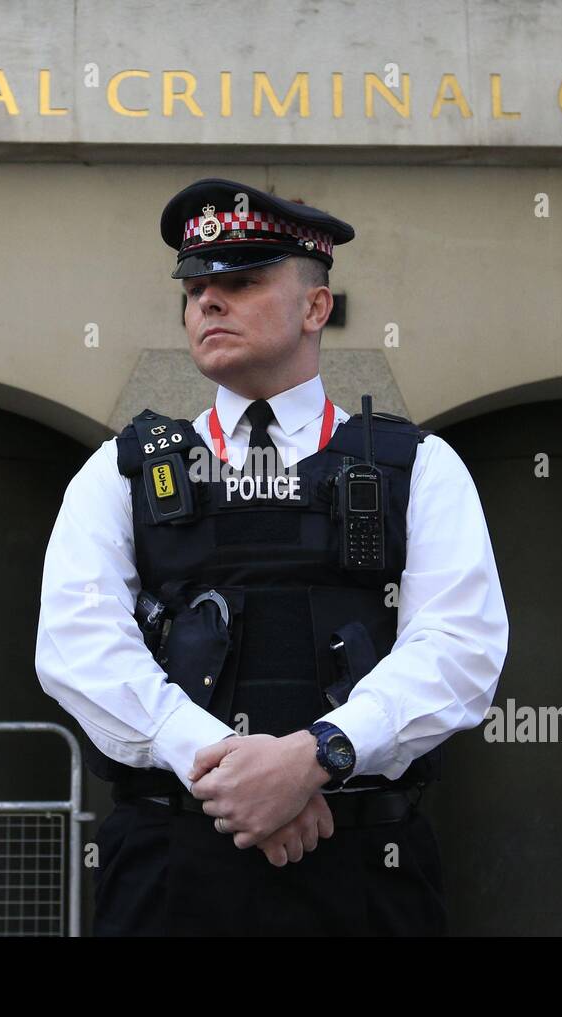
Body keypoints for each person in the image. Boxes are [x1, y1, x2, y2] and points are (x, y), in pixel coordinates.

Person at [34, 177, 509, 936]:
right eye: (195, 288)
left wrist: (317, 757)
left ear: (316, 306)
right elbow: (75, 643)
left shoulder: (419, 466)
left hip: (361, 865)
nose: (207, 303)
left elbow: (460, 647)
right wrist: (234, 771)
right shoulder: (120, 471)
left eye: (242, 281)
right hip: (170, 868)